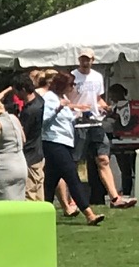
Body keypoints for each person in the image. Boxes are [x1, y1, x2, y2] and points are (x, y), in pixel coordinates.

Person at [68, 51, 136, 209]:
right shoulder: (72, 77)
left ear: (93, 60)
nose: (85, 62)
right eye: (82, 59)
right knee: (74, 162)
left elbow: (97, 98)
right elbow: (64, 99)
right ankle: (72, 199)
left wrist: (105, 107)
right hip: (77, 124)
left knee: (103, 159)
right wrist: (78, 108)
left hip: (95, 124)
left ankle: (114, 198)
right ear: (79, 60)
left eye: (88, 59)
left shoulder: (97, 77)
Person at [41, 71, 104, 226]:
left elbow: (67, 120)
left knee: (50, 181)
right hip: (53, 142)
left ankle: (42, 214)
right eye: (71, 84)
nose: (73, 87)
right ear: (62, 85)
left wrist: (79, 114)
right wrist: (58, 109)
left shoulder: (63, 99)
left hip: (65, 142)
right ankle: (89, 214)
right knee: (72, 177)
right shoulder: (49, 99)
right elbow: (43, 121)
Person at [9, 71, 47, 201]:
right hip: (38, 152)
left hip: (30, 154)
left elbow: (22, 134)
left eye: (17, 91)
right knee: (39, 189)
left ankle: (31, 218)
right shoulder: (39, 101)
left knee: (29, 191)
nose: (15, 94)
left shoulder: (30, 111)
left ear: (24, 89)